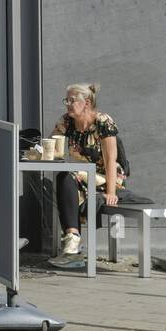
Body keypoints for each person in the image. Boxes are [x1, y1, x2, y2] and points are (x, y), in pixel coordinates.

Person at [51, 82, 124, 257]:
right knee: (64, 177)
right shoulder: (66, 121)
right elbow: (52, 145)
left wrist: (111, 191)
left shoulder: (103, 121)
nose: (68, 104)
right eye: (66, 100)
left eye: (72, 100)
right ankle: (73, 236)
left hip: (107, 176)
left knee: (68, 176)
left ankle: (72, 239)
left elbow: (110, 160)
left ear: (87, 103)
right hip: (81, 175)